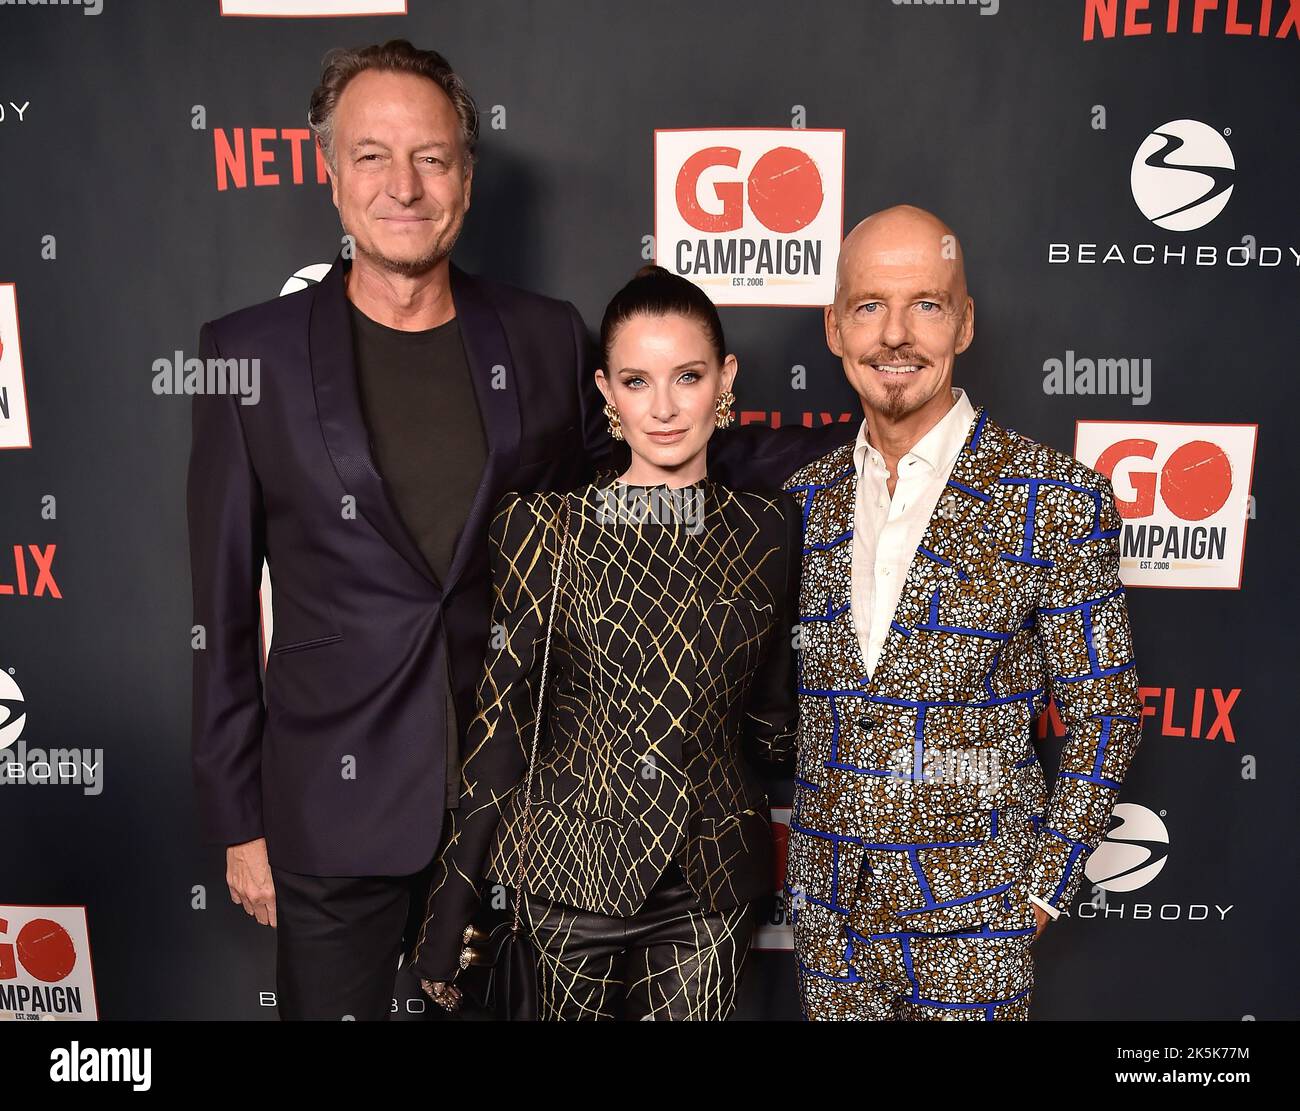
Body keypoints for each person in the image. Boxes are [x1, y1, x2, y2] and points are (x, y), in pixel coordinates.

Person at [188, 41, 853, 1021]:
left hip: (524, 817)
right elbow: (218, 611)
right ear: (329, 173)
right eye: (372, 155)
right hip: (333, 816)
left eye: (432, 157)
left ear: (465, 173)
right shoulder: (246, 355)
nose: (404, 186)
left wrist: (869, 446)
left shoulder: (540, 338)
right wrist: (239, 822)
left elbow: (651, 457)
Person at [410, 266, 802, 1020]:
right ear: (605, 390)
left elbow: (769, 714)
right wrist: (447, 909)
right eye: (636, 380)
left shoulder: (768, 529)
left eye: (686, 377)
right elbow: (501, 732)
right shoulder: (540, 528)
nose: (662, 408)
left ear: (726, 379)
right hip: (565, 876)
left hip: (710, 882)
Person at [783, 205, 1142, 1020]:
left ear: (966, 322)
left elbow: (1106, 710)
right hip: (832, 934)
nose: (896, 335)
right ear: (834, 328)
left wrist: (1040, 893)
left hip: (977, 930)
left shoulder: (1053, 496)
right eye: (870, 306)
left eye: (928, 304)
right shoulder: (803, 503)